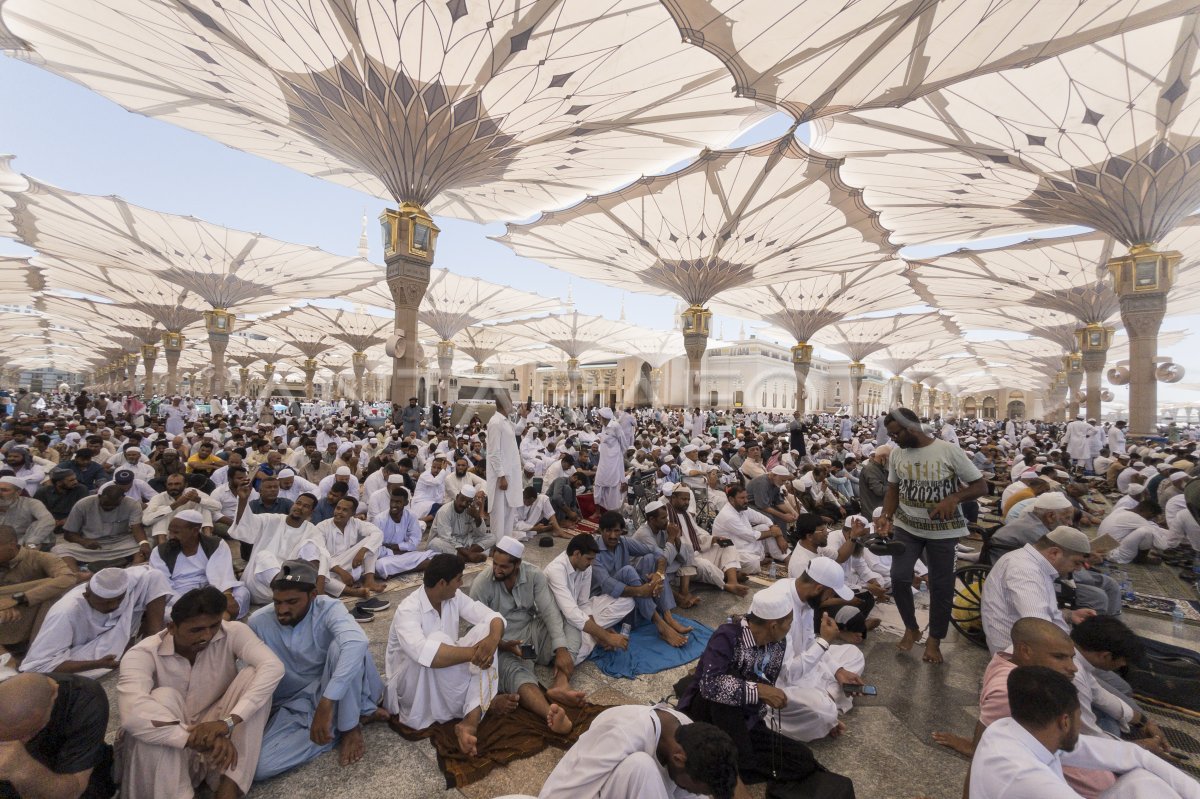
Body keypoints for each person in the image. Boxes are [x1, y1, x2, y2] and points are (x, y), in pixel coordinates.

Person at [116, 586, 285, 799]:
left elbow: (274, 667)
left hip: (217, 737)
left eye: (213, 626)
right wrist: (193, 738)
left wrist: (228, 722)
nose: (206, 635)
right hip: (167, 747)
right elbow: (133, 715)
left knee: (254, 676)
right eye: (196, 630)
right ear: (171, 627)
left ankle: (230, 785)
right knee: (163, 697)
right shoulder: (142, 654)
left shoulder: (231, 631)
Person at [680, 586, 845, 792]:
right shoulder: (728, 636)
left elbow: (770, 685)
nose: (789, 628)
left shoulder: (777, 644)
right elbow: (711, 685)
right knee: (728, 689)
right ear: (773, 625)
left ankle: (733, 763)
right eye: (788, 624)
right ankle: (736, 766)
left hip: (746, 720)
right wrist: (758, 691)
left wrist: (762, 696)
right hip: (708, 712)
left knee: (802, 758)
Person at [968, 665, 1199, 799]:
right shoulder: (1024, 777)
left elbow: (1134, 755)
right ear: (1065, 721)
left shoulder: (1015, 728)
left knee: (1143, 782)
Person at [249, 561, 387, 779]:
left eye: (292, 602)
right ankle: (348, 721)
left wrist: (327, 702)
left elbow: (357, 642)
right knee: (259, 767)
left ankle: (350, 727)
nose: (283, 610)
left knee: (342, 647)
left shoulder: (328, 607)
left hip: (333, 691)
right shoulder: (258, 622)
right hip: (294, 706)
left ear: (313, 595)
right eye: (277, 602)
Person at [876, 407, 986, 664]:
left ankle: (935, 638)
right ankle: (911, 627)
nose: (893, 438)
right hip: (907, 526)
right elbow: (893, 488)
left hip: (942, 531)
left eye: (896, 433)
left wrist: (954, 498)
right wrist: (886, 516)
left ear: (911, 428)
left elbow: (980, 485)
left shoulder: (949, 451)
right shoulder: (897, 455)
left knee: (941, 585)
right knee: (899, 577)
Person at [468, 537, 580, 735]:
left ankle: (561, 683)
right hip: (501, 644)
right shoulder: (481, 585)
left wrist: (561, 649)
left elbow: (550, 612)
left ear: (517, 564)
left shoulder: (534, 575)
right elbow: (477, 633)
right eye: (495, 564)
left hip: (531, 631)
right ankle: (550, 715)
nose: (497, 570)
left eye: (503, 566)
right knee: (516, 675)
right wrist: (503, 645)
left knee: (570, 625)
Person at [537, 704, 740, 799]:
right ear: (679, 759)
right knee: (641, 767)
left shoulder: (688, 732)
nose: (694, 792)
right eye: (693, 789)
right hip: (602, 789)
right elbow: (565, 789)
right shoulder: (622, 735)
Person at [763, 559, 866, 743]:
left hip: (805, 666)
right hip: (778, 681)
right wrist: (825, 641)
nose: (830, 598)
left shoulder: (806, 598)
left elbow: (810, 642)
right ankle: (827, 700)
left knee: (853, 653)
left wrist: (838, 671)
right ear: (819, 588)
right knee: (823, 712)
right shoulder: (780, 605)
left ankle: (827, 694)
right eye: (830, 593)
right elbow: (787, 674)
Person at [20, 566, 170, 678]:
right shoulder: (65, 611)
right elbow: (36, 666)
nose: (113, 606)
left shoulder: (131, 581)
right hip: (87, 649)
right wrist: (98, 663)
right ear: (87, 595)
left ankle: (150, 644)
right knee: (43, 675)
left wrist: (151, 634)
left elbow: (153, 577)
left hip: (119, 632)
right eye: (106, 603)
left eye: (119, 599)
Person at [0, 673, 117, 799]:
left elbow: (74, 791)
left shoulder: (83, 699)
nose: (23, 742)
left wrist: (22, 769)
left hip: (74, 777)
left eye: (29, 733)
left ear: (54, 694)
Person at [980, 528, 1097, 654]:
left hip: (1033, 647)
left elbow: (1038, 615)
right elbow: (1040, 629)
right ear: (1054, 553)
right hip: (1023, 655)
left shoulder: (1032, 564)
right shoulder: (1025, 571)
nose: (1079, 569)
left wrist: (1070, 615)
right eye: (1077, 562)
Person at [592, 510, 693, 647]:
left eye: (616, 531)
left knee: (650, 559)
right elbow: (607, 584)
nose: (613, 536)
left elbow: (655, 552)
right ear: (600, 531)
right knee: (628, 571)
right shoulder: (594, 551)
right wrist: (641, 591)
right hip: (606, 600)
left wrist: (659, 573)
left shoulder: (623, 542)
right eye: (608, 531)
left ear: (622, 531)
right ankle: (661, 625)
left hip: (630, 593)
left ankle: (668, 616)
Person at [226, 483, 330, 604]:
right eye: (298, 503)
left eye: (306, 506)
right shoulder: (271, 519)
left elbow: (322, 557)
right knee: (264, 556)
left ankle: (305, 591)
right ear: (293, 504)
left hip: (294, 584)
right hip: (260, 586)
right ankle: (286, 592)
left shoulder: (312, 531)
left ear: (311, 512)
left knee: (312, 546)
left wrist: (318, 589)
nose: (300, 507)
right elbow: (244, 525)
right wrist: (243, 500)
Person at [543, 533, 633, 661]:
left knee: (628, 602)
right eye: (589, 559)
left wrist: (598, 634)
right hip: (560, 619)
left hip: (577, 613)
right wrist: (607, 636)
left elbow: (583, 603)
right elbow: (570, 613)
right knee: (577, 653)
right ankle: (592, 633)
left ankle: (593, 633)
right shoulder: (556, 570)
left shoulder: (585, 567)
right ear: (577, 554)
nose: (591, 563)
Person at [149, 509, 249, 620]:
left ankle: (207, 620)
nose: (171, 536)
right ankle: (221, 619)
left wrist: (227, 595)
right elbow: (163, 587)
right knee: (166, 613)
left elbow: (223, 575)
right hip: (180, 596)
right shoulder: (159, 551)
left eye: (176, 532)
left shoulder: (215, 544)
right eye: (170, 532)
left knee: (243, 593)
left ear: (195, 530)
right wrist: (192, 604)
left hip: (211, 591)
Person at [0, 525, 76, 656]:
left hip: (29, 617)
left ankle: (37, 652)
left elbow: (68, 578)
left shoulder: (40, 558)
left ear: (11, 545)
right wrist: (4, 605)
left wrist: (18, 599)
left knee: (51, 588)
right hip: (5, 616)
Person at [666, 483, 745, 597]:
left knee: (727, 545)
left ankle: (733, 580)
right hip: (683, 562)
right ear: (673, 498)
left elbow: (698, 537)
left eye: (688, 499)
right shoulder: (667, 516)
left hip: (696, 552)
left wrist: (714, 539)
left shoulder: (686, 515)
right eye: (683, 499)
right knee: (705, 565)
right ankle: (725, 583)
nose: (687, 502)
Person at [51, 484, 151, 571]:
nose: (109, 508)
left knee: (146, 545)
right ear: (99, 496)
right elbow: (68, 534)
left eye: (114, 506)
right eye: (105, 505)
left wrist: (144, 543)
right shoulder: (83, 504)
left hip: (121, 542)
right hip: (92, 544)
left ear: (122, 499)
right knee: (59, 550)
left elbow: (136, 528)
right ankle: (77, 576)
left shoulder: (132, 504)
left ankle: (132, 571)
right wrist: (83, 541)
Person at [314, 496, 386, 605]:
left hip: (352, 568)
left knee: (372, 542)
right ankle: (354, 592)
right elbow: (321, 554)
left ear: (352, 513)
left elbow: (378, 533)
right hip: (332, 570)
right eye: (338, 508)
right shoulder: (322, 527)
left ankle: (369, 581)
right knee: (318, 577)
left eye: (345, 510)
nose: (339, 512)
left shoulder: (355, 522)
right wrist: (341, 572)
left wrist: (362, 551)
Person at [633, 500, 701, 608]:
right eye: (663, 518)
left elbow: (682, 558)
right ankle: (680, 598)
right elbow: (662, 558)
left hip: (660, 565)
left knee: (687, 549)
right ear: (651, 519)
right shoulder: (644, 533)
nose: (667, 521)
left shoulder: (661, 529)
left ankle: (684, 592)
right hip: (643, 571)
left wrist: (677, 539)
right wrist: (671, 538)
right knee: (658, 566)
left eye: (667, 517)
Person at [711, 486, 789, 574]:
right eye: (742, 498)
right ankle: (755, 562)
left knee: (765, 527)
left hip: (744, 542)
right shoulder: (728, 516)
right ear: (731, 499)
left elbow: (764, 519)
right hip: (731, 549)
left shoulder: (742, 508)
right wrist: (773, 533)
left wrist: (779, 536)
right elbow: (750, 536)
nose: (746, 501)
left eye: (746, 497)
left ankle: (784, 556)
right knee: (753, 563)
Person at [371, 486, 436, 578]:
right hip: (387, 556)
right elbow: (376, 547)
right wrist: (394, 551)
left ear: (406, 502)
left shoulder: (411, 516)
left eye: (398, 502)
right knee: (380, 566)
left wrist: (396, 546)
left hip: (406, 554)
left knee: (434, 556)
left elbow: (414, 542)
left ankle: (396, 572)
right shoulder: (379, 519)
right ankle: (407, 568)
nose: (393, 505)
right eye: (392, 501)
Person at [143, 472, 221, 543]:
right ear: (166, 485)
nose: (173, 487)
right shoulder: (159, 498)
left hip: (191, 530)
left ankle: (208, 540)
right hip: (168, 533)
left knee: (204, 505)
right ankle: (163, 547)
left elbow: (218, 507)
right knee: (161, 512)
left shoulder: (191, 492)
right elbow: (146, 520)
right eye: (170, 484)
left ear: (185, 485)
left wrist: (198, 499)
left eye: (177, 484)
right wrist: (176, 504)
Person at [428, 484, 494, 562]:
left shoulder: (471, 510)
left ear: (471, 502)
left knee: (492, 537)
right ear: (457, 497)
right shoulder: (444, 511)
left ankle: (463, 555)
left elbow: (482, 534)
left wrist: (477, 517)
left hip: (465, 542)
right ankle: (466, 557)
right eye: (462, 499)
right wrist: (469, 554)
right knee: (434, 543)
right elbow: (447, 537)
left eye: (468, 502)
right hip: (448, 542)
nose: (463, 504)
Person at [0, 476, 55, 550]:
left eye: (4, 490)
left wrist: (32, 541)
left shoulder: (31, 503)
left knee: (38, 527)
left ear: (18, 492)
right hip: (4, 543)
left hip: (27, 541)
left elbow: (48, 520)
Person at [593, 407, 625, 514]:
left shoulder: (615, 426)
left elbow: (623, 443)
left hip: (614, 460)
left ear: (603, 416)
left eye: (599, 416)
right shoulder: (603, 426)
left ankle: (612, 512)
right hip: (604, 460)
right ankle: (597, 511)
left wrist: (619, 455)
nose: (598, 418)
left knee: (613, 486)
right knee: (598, 483)